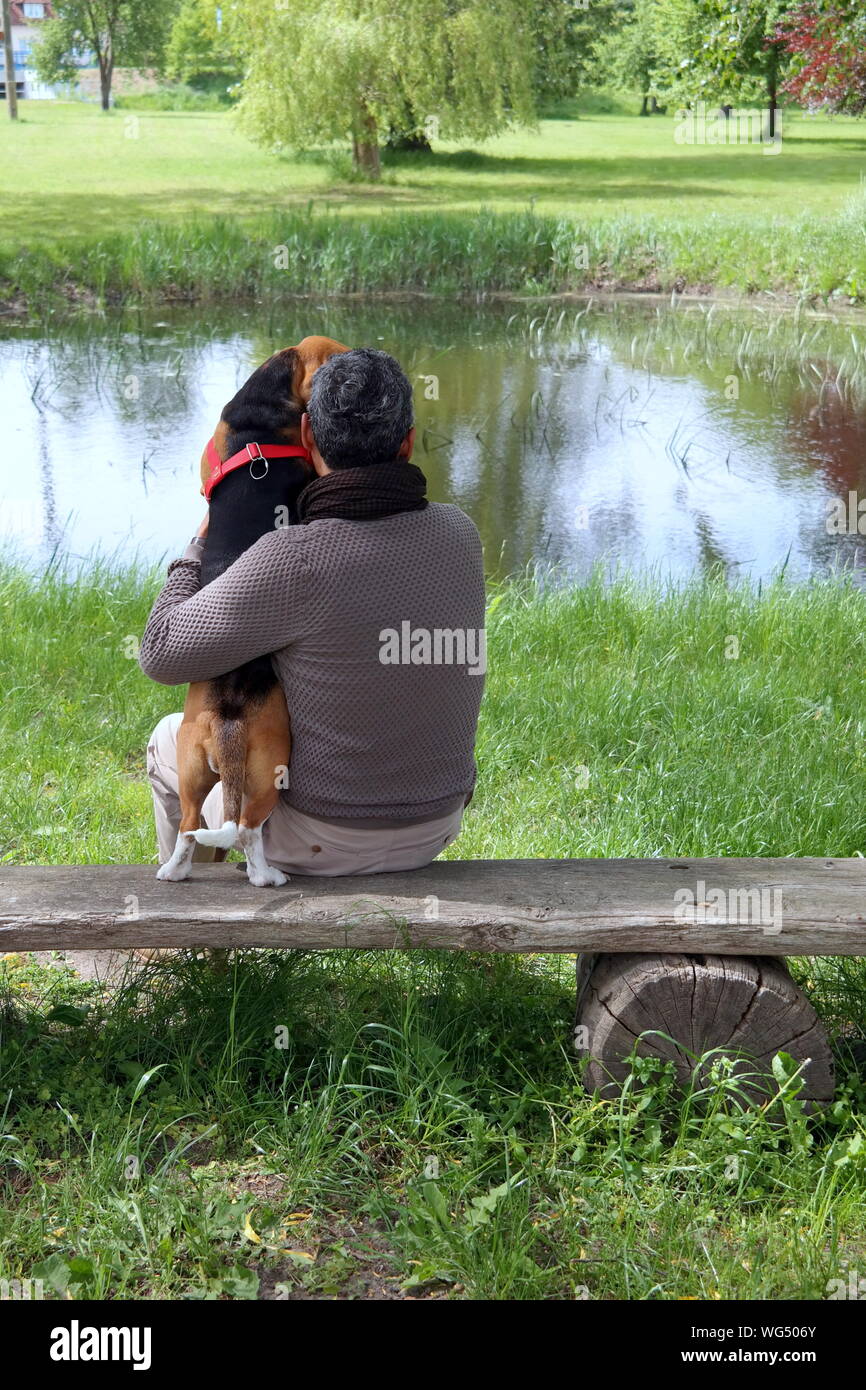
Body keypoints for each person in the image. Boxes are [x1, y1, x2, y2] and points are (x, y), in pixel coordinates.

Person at [139, 348, 486, 876]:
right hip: (435, 825)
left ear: (307, 438)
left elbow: (161, 653)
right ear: (408, 443)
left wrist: (199, 542)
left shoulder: (296, 555)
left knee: (171, 738)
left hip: (321, 838)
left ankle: (192, 928)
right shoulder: (461, 534)